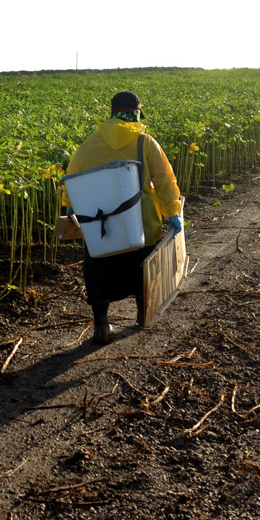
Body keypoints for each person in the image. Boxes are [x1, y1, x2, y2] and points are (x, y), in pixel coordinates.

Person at [59, 91, 183, 343]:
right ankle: (142, 315)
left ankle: (101, 327)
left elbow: (71, 179)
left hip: (99, 226)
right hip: (141, 224)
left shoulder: (89, 144)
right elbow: (164, 180)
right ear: (136, 113)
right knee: (141, 270)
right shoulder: (145, 142)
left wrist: (69, 206)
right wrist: (172, 213)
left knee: (99, 272)